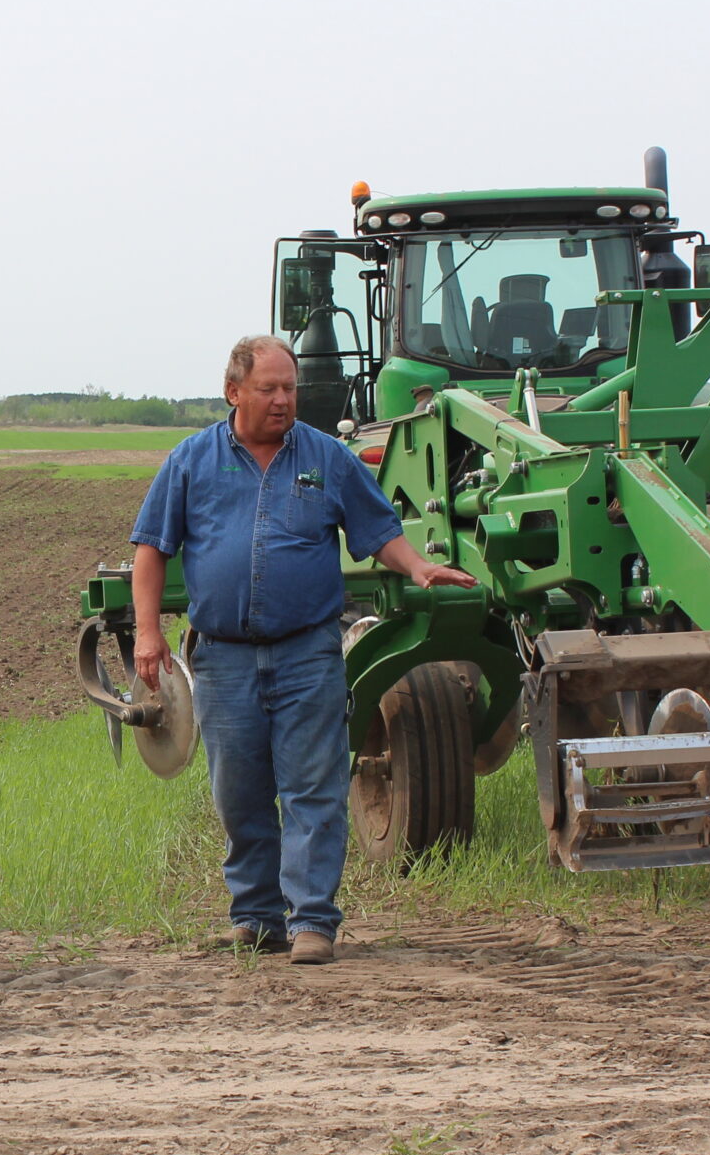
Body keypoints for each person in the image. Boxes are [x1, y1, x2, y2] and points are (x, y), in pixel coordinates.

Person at [129, 336, 474, 965]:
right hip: (224, 658)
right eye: (269, 389)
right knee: (238, 790)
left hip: (306, 652)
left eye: (290, 388)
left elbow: (378, 533)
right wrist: (147, 633)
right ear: (234, 391)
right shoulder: (192, 461)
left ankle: (312, 919)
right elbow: (151, 550)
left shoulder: (327, 457)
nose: (284, 399)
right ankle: (257, 917)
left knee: (313, 785)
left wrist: (418, 566)